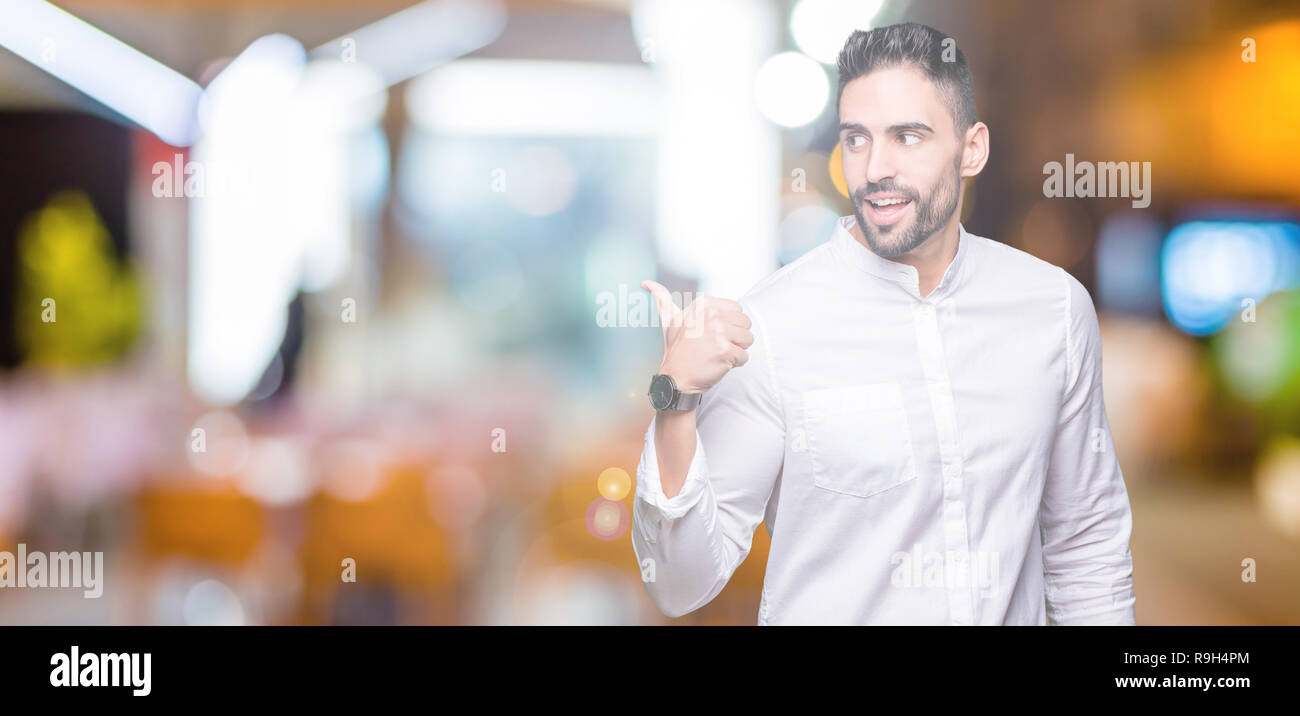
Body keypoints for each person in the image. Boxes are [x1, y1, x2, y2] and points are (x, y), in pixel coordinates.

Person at [633, 22, 1136, 625]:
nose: (874, 169)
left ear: (971, 148)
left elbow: (1087, 541)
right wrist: (675, 403)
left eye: (908, 136)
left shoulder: (1053, 309)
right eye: (857, 139)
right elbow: (681, 583)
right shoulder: (769, 327)